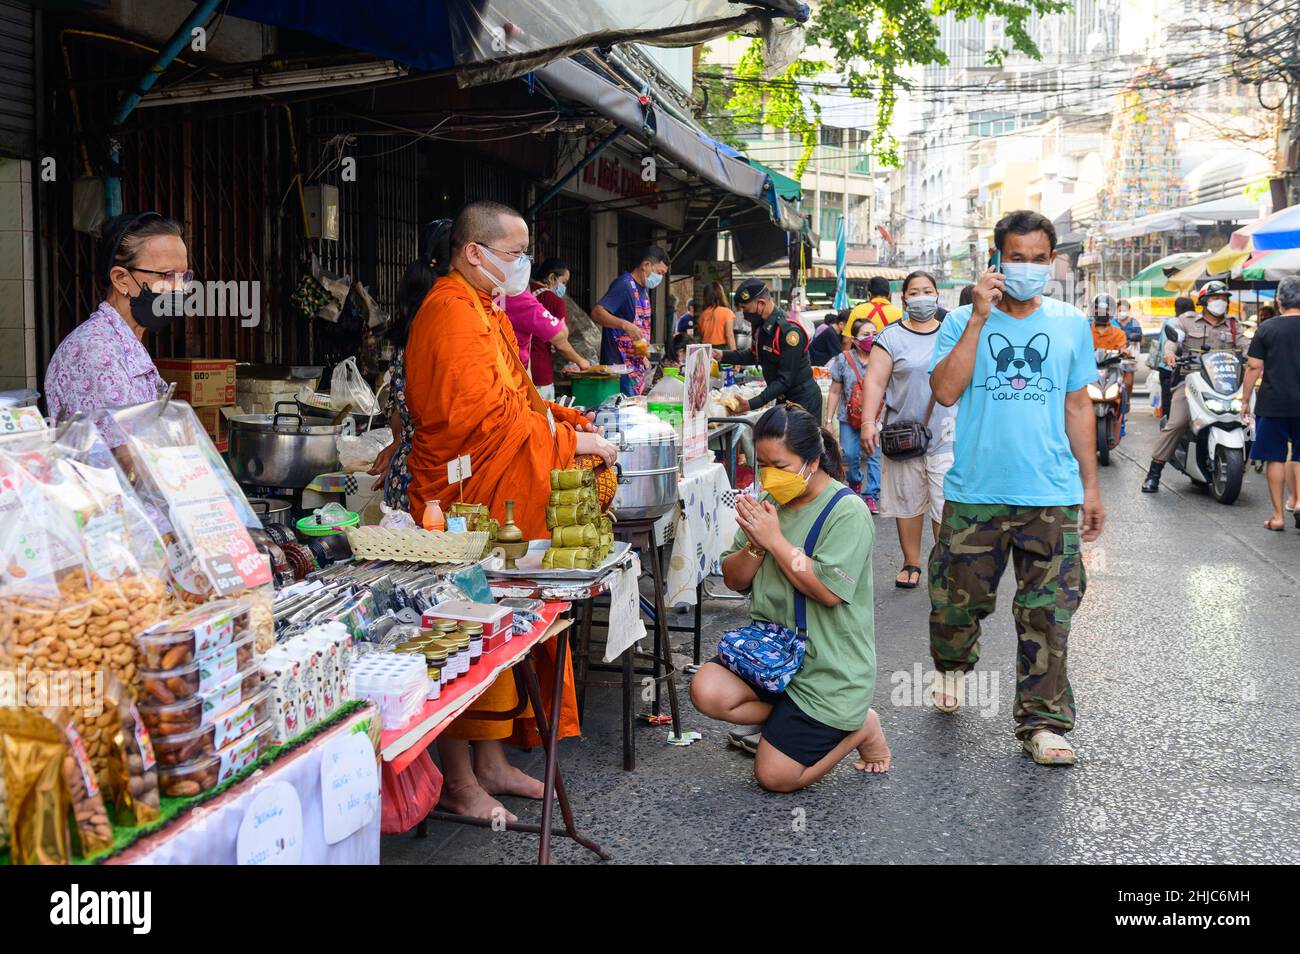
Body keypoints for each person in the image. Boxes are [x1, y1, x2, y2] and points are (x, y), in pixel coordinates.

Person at [403, 200, 619, 820]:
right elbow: (477, 420)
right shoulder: (449, 312)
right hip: (462, 496)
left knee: (507, 625)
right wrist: (570, 443)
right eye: (513, 252)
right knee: (466, 630)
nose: (522, 264)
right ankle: (459, 780)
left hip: (499, 487)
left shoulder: (485, 308)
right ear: (474, 252)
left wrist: (569, 422)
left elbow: (520, 397)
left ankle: (494, 763)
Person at [928, 209, 1104, 767]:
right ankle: (953, 666)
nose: (1027, 268)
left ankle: (1044, 723)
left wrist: (1091, 486)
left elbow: (1078, 404)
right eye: (1016, 258)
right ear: (996, 259)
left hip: (1050, 493)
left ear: (1052, 260)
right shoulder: (961, 321)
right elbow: (946, 391)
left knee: (1049, 612)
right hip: (976, 490)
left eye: (1038, 258)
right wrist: (979, 319)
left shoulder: (1071, 323)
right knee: (957, 605)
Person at [690, 403, 890, 790]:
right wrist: (755, 547)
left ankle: (861, 727)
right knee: (706, 690)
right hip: (772, 657)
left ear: (812, 462)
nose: (767, 476)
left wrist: (775, 541)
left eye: (779, 466)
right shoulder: (770, 502)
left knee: (775, 777)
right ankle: (787, 719)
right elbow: (733, 580)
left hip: (827, 670)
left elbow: (828, 592)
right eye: (761, 464)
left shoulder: (846, 510)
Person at [861, 270, 958, 588]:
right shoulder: (890, 337)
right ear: (904, 298)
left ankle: (943, 563)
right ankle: (912, 562)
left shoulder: (951, 333)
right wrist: (866, 423)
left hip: (946, 432)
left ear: (937, 295)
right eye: (914, 292)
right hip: (902, 434)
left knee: (945, 502)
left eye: (927, 290)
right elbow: (875, 381)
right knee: (908, 501)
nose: (921, 297)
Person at [45, 212, 185, 422]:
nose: (180, 288)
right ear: (121, 279)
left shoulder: (125, 343)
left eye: (184, 276)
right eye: (167, 275)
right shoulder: (94, 350)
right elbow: (125, 450)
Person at [369, 218, 452, 510]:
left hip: (407, 469)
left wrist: (399, 444)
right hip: (433, 477)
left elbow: (398, 405)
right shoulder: (444, 321)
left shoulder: (415, 322)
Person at [1141, 280, 1249, 492]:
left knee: (1248, 419)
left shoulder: (1234, 326)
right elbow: (1174, 340)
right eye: (1216, 298)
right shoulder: (1187, 321)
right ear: (1204, 301)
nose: (1221, 302)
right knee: (1178, 422)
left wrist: (1259, 357)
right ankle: (1154, 472)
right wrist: (1170, 352)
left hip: (1224, 384)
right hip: (1191, 381)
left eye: (1224, 298)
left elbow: (1248, 347)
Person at [1241, 275, 1300, 531]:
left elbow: (1254, 366)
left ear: (1279, 300)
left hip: (1273, 401)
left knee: (1274, 458)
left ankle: (1277, 517)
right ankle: (1299, 502)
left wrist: (1244, 401)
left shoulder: (1266, 328)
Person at [718, 278, 822, 422]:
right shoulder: (762, 327)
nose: (743, 314)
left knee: (800, 444)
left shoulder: (789, 332)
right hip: (784, 399)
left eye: (745, 309)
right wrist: (722, 355)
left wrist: (751, 404)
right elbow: (754, 355)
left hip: (803, 401)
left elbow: (785, 380)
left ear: (761, 304)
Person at [506, 257, 590, 401]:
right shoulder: (555, 302)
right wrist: (581, 361)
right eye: (563, 282)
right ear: (551, 278)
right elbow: (561, 342)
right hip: (539, 372)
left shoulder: (515, 292)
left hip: (512, 368)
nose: (564, 288)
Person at [591, 246, 669, 395]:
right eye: (659, 273)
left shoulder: (644, 292)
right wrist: (624, 325)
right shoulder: (624, 285)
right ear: (646, 265)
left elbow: (640, 331)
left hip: (635, 370)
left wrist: (643, 355)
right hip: (618, 370)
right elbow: (597, 313)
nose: (660, 278)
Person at [824, 331, 871, 495]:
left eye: (874, 333)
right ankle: (855, 481)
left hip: (875, 416)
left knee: (874, 456)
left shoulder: (881, 356)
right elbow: (835, 391)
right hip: (848, 416)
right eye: (866, 334)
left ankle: (872, 494)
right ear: (854, 339)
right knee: (849, 454)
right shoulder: (843, 359)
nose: (870, 337)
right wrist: (828, 420)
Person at [847, 276, 902, 341]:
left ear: (869, 294)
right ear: (889, 294)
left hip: (863, 351)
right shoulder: (900, 313)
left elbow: (847, 340)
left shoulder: (858, 310)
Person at [1115, 297, 1144, 398]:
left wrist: (1133, 342)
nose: (1122, 312)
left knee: (1128, 382)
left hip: (1130, 354)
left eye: (1124, 310)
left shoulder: (1134, 322)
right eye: (1120, 310)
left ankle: (1127, 400)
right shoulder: (1113, 323)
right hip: (1115, 354)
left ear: (1128, 311)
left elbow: (1140, 337)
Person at [697, 280, 737, 350]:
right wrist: (735, 355)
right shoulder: (727, 312)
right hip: (722, 351)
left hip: (706, 350)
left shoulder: (702, 315)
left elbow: (701, 338)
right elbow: (729, 335)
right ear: (721, 294)